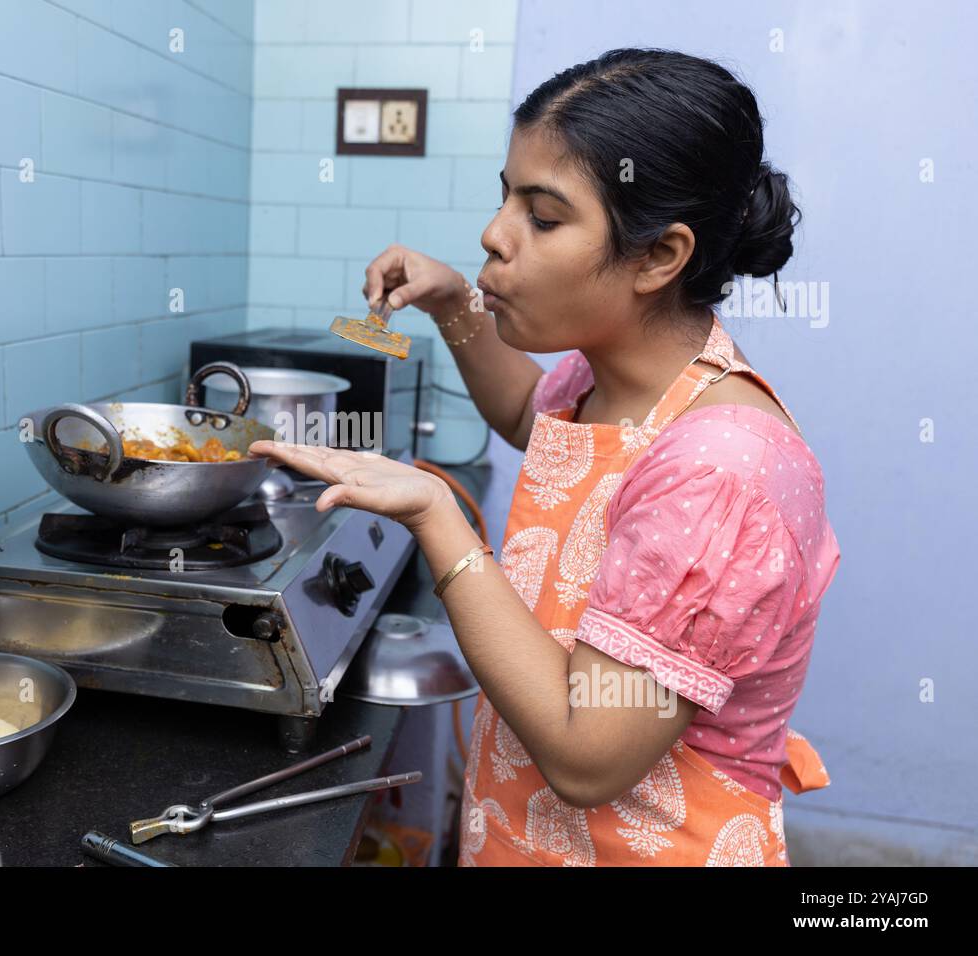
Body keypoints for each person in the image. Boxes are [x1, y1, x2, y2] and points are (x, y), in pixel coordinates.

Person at [247, 48, 840, 866]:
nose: (495, 233)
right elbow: (533, 415)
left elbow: (586, 752)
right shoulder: (614, 371)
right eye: (505, 197)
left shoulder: (723, 470)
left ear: (659, 257)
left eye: (545, 216)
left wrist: (438, 516)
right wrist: (457, 303)